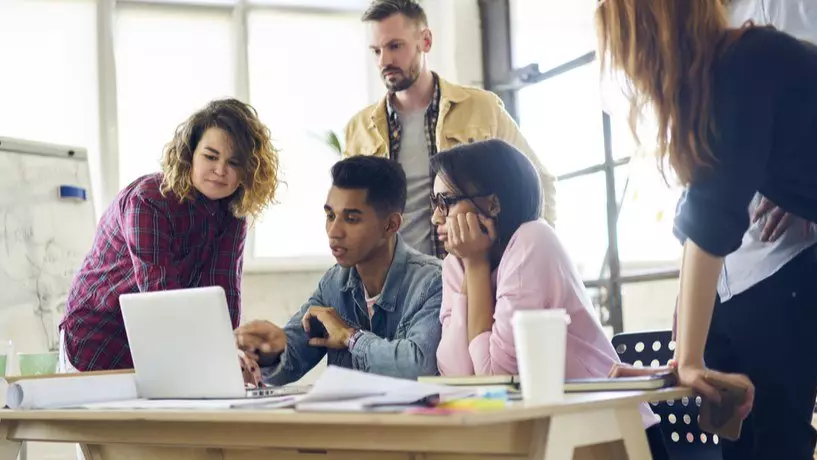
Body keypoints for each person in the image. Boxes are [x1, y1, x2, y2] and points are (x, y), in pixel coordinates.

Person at [596, 1, 817, 455]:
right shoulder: (723, 77)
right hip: (755, 276)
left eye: (623, 46)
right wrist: (685, 354)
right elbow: (701, 208)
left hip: (787, 271)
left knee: (780, 440)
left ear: (650, 36)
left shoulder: (746, 65)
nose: (626, 66)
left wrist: (690, 360)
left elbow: (713, 215)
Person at [431, 139, 668, 459]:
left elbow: (495, 381)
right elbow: (457, 377)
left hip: (611, 433)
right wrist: (471, 268)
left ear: (492, 204)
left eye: (446, 202)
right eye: (434, 203)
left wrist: (475, 266)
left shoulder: (532, 241)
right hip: (544, 438)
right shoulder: (455, 263)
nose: (435, 217)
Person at [59, 98, 279, 372]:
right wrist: (217, 360)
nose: (221, 170)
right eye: (210, 156)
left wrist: (231, 354)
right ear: (189, 155)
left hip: (159, 342)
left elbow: (224, 295)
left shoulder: (232, 212)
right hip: (97, 335)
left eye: (234, 162)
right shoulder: (149, 201)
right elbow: (161, 298)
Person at [344, 0, 556, 260]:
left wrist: (535, 258)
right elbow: (349, 215)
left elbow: (538, 181)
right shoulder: (358, 130)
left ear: (426, 41)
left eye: (395, 46)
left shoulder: (482, 108)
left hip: (470, 278)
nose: (384, 60)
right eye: (376, 51)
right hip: (394, 288)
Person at [235, 156, 442, 386]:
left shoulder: (432, 282)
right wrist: (271, 349)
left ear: (391, 225)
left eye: (351, 219)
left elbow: (417, 367)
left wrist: (349, 337)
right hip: (346, 421)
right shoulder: (334, 283)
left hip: (410, 421)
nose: (334, 232)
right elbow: (294, 354)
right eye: (330, 216)